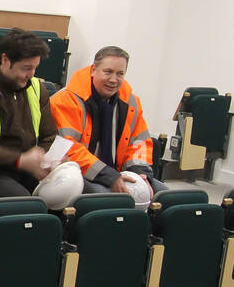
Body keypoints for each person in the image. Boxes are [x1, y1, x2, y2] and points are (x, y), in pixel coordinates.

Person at [49, 45, 165, 196]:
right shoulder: (65, 100)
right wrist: (109, 176)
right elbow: (69, 149)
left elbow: (139, 142)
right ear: (93, 70)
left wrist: (141, 174)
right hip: (78, 173)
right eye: (108, 72)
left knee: (162, 195)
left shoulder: (131, 102)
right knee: (108, 198)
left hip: (117, 172)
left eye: (120, 74)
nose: (113, 80)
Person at [0, 29, 60, 197]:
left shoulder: (37, 87)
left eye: (35, 68)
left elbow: (49, 135)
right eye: (26, 68)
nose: (31, 75)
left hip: (28, 168)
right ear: (5, 60)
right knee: (24, 201)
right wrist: (21, 160)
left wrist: (44, 160)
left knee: (70, 191)